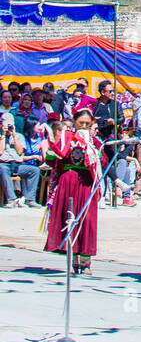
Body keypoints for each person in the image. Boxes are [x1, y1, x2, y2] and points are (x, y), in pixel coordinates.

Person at [43, 97, 104, 274]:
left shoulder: (96, 143)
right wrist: (53, 153)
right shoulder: (66, 138)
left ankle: (86, 261)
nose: (83, 127)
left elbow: (104, 160)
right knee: (70, 218)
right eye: (81, 123)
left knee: (86, 220)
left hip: (86, 183)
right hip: (69, 182)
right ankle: (73, 258)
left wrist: (94, 156)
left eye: (87, 123)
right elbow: (52, 158)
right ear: (75, 122)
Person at [0, 116, 41, 206]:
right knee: (2, 169)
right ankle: (12, 199)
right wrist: (3, 135)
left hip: (17, 164)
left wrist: (14, 135)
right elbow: (0, 152)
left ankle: (30, 199)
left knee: (35, 170)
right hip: (4, 164)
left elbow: (19, 152)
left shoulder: (19, 136)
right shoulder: (0, 136)